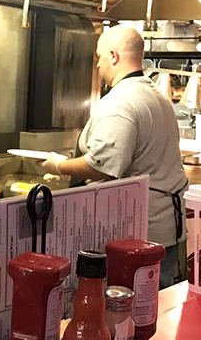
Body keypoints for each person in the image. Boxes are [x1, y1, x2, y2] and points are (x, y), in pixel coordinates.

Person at [43, 25, 187, 288]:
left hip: (139, 231)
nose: (98, 65)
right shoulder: (156, 94)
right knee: (158, 300)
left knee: (130, 303)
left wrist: (59, 165)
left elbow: (102, 165)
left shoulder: (121, 101)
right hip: (165, 225)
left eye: (99, 57)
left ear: (113, 56)